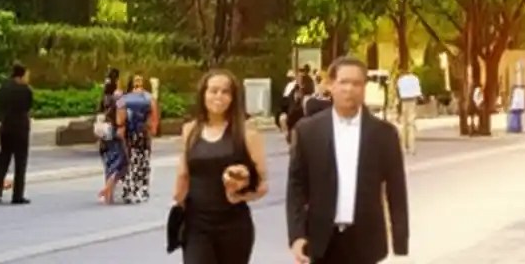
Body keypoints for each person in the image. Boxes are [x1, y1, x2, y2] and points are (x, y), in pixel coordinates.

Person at [287, 56, 409, 264]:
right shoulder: (308, 130)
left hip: (366, 241)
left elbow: (396, 188)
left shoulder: (384, 134)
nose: (349, 89)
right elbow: (296, 187)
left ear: (364, 88)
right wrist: (297, 235)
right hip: (321, 240)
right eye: (343, 82)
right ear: (331, 85)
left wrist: (400, 241)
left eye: (357, 83)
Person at [171, 69, 268, 263]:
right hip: (196, 224)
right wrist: (178, 200)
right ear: (203, 94)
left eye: (225, 92)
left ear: (233, 98)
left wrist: (240, 195)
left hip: (233, 225)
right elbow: (184, 172)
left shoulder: (246, 133)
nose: (219, 97)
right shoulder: (190, 130)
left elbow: (262, 185)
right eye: (213, 91)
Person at [0, 63, 33, 205]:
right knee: (20, 162)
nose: (28, 79)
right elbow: (28, 106)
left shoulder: (3, 88)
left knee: (3, 157)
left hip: (5, 127)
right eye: (27, 75)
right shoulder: (25, 90)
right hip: (20, 128)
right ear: (20, 76)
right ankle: (17, 194)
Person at [118, 73, 157, 204]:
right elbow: (154, 116)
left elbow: (120, 118)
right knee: (141, 162)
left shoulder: (123, 98)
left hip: (131, 134)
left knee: (130, 161)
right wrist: (152, 130)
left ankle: (129, 191)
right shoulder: (149, 98)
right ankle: (140, 190)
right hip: (142, 134)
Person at [96, 78, 127, 204]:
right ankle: (108, 188)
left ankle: (109, 194)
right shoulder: (119, 97)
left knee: (109, 161)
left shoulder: (104, 97)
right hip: (114, 130)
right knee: (121, 160)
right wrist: (122, 126)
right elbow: (121, 116)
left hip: (103, 131)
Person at [395, 66, 422, 155]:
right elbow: (418, 92)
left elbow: (398, 93)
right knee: (411, 125)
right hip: (412, 101)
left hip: (404, 101)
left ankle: (403, 147)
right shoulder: (415, 79)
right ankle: (412, 148)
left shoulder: (400, 80)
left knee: (404, 125)